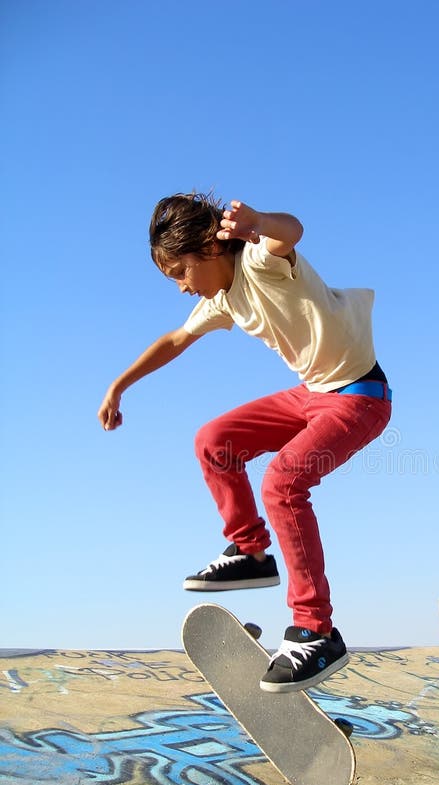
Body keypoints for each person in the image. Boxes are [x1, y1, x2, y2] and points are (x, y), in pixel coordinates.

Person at [98, 193, 392, 693]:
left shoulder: (259, 260)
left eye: (181, 272)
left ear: (210, 248)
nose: (182, 286)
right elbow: (174, 340)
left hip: (360, 397)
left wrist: (257, 221)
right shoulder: (221, 300)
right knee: (215, 440)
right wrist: (119, 386)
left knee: (283, 483)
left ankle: (316, 631)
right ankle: (251, 553)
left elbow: (291, 231)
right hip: (313, 395)